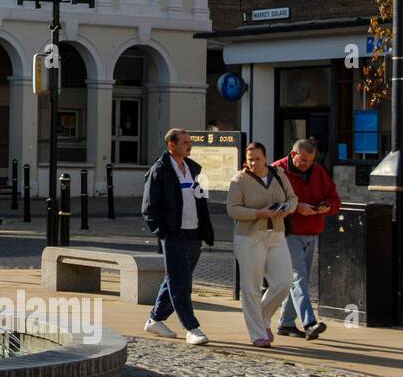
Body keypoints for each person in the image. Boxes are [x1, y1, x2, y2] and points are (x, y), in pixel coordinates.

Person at [142, 128, 215, 345]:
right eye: (184, 142)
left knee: (176, 280)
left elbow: (201, 201)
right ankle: (192, 328)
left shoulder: (193, 168)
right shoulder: (160, 170)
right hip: (174, 235)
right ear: (171, 145)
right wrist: (164, 232)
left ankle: (155, 319)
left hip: (194, 233)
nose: (189, 146)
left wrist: (205, 230)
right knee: (181, 283)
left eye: (189, 142)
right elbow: (149, 208)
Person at [226, 142, 296, 347]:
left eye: (257, 159)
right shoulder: (239, 180)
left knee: (284, 282)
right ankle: (257, 334)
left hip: (277, 233)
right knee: (251, 287)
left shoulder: (278, 174)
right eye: (250, 160)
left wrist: (288, 208)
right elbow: (233, 209)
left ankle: (262, 318)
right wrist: (259, 213)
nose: (254, 163)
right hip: (249, 237)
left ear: (265, 158)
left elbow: (292, 197)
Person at [270, 138, 338, 341]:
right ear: (293, 154)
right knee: (298, 278)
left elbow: (335, 199)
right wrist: (297, 207)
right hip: (288, 233)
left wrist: (327, 206)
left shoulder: (317, 172)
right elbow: (271, 202)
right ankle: (309, 323)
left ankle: (286, 323)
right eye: (304, 160)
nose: (308, 165)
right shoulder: (278, 170)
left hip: (312, 232)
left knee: (299, 280)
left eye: (311, 161)